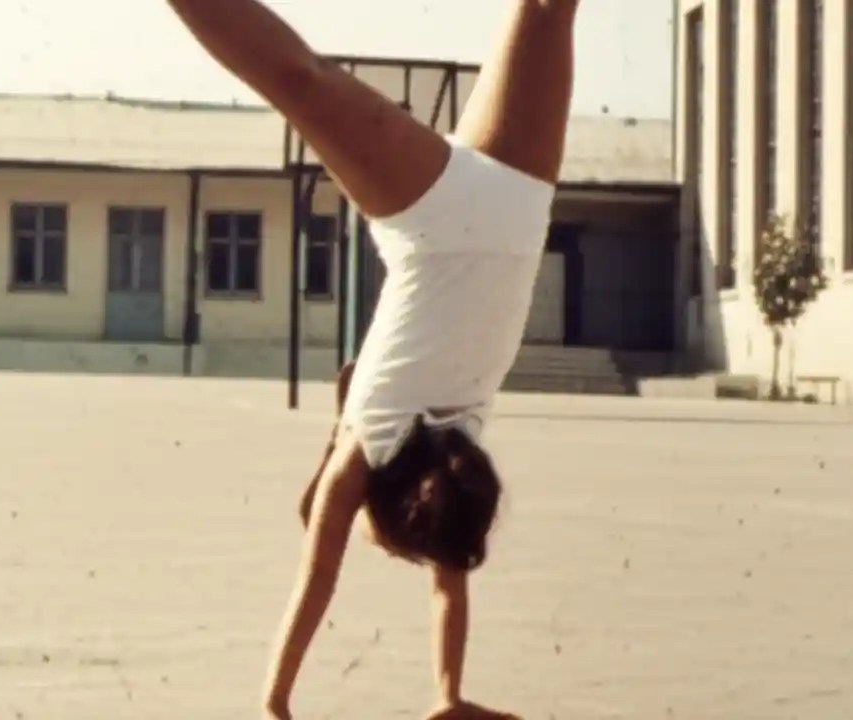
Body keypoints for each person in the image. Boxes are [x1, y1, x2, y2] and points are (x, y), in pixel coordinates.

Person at [165, 1, 579, 718]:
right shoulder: (365, 449)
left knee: (546, 9)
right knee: (297, 79)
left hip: (517, 208)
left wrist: (450, 697)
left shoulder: (462, 440)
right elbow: (317, 576)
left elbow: (449, 587)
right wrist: (276, 702)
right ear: (382, 507)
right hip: (430, 216)